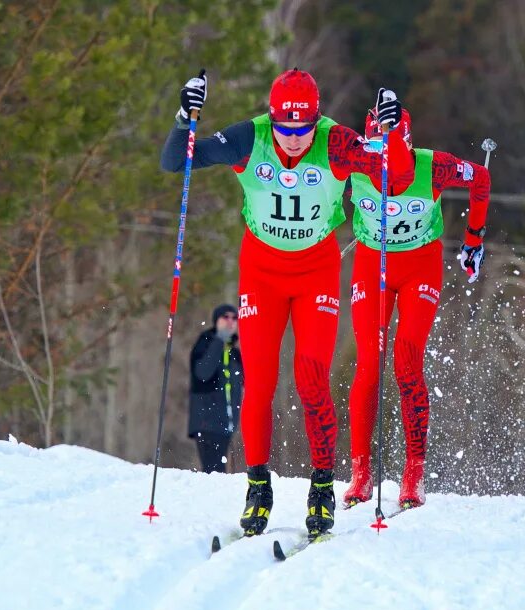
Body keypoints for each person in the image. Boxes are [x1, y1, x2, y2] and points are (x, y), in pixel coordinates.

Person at [161, 69, 413, 538]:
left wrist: (393, 133)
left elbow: (395, 178)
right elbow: (175, 161)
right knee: (257, 380)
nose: (294, 140)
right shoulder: (248, 138)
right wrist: (184, 117)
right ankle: (258, 487)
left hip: (316, 270)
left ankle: (321, 486)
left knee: (311, 377)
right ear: (272, 118)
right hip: (261, 274)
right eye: (285, 128)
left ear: (315, 121)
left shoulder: (336, 142)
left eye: (303, 129)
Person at [343, 108, 491, 509]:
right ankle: (359, 473)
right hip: (372, 266)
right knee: (369, 366)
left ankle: (414, 472)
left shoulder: (433, 167)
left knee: (406, 362)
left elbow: (481, 179)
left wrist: (474, 239)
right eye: (375, 147)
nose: (382, 159)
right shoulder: (353, 159)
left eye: (391, 148)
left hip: (419, 267)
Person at [188, 305, 243, 473]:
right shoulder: (205, 343)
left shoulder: (235, 352)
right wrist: (219, 340)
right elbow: (202, 373)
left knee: (221, 474)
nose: (230, 322)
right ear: (216, 320)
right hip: (206, 422)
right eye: (225, 317)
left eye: (234, 318)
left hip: (228, 423)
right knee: (213, 473)